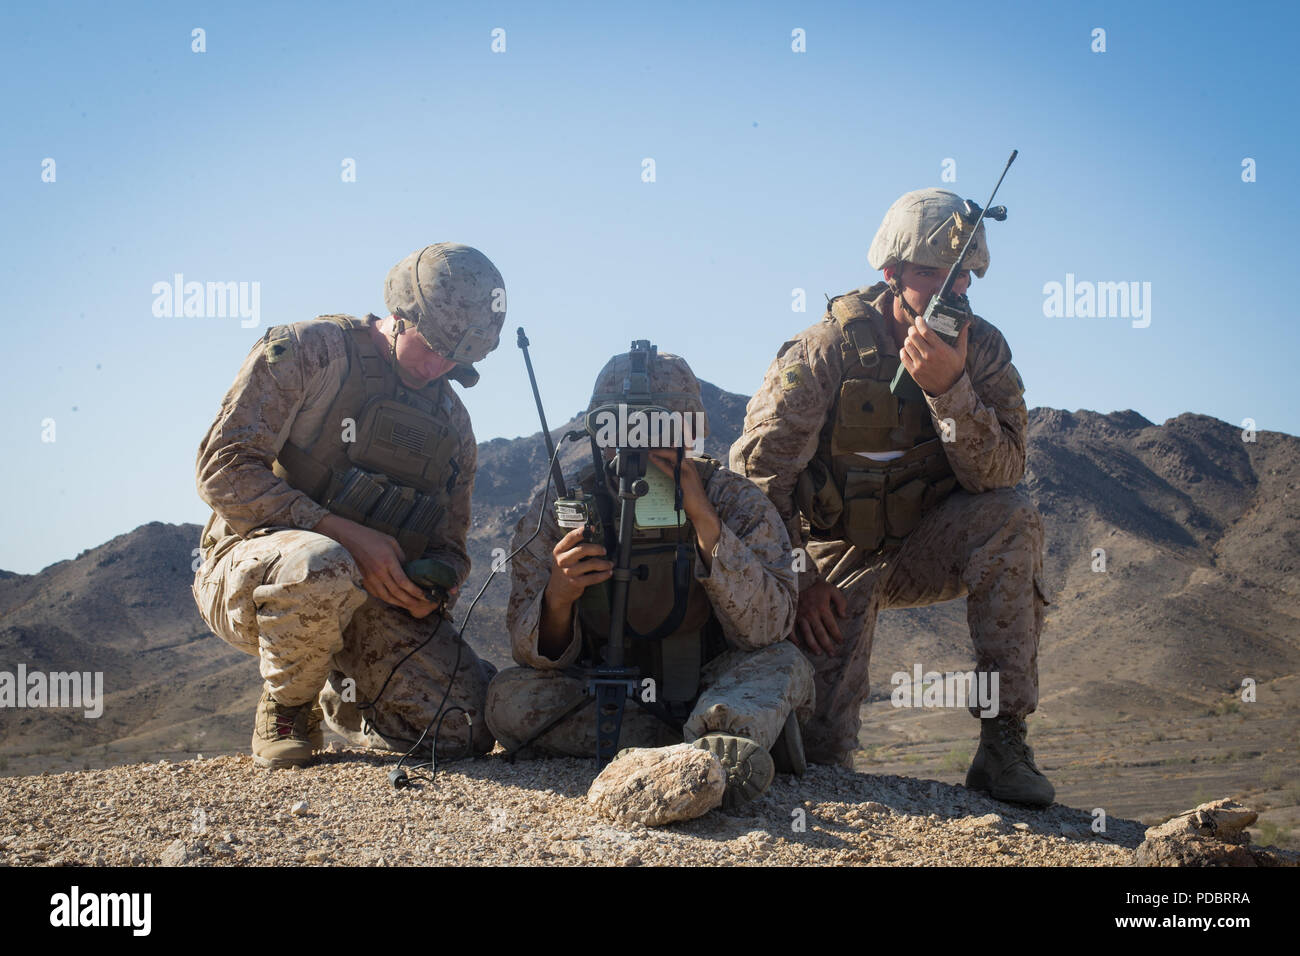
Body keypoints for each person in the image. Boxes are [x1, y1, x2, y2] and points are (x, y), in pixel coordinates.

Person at [729, 188, 1055, 806]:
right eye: (932, 272)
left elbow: (1002, 471)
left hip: (929, 542)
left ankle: (1004, 741)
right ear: (892, 273)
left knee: (1012, 519)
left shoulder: (980, 352)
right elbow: (757, 481)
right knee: (819, 759)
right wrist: (797, 578)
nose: (948, 290)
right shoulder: (824, 352)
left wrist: (950, 389)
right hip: (833, 558)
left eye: (961, 278)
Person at [192, 243, 504, 769]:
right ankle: (288, 707)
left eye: (457, 356)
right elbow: (222, 470)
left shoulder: (453, 424)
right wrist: (347, 535)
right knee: (324, 563)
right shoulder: (311, 353)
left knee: (462, 729)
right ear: (399, 316)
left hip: (368, 602)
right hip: (254, 574)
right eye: (432, 345)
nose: (440, 365)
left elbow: (451, 545)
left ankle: (348, 693)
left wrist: (434, 586)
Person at [486, 344, 814, 816]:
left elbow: (768, 629)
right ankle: (712, 747)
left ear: (691, 430)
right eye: (624, 427)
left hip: (708, 682)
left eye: (661, 427)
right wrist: (559, 597)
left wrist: (706, 523)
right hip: (606, 692)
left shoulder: (733, 500)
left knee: (784, 664)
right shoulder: (568, 506)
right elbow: (531, 652)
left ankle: (713, 735)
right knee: (508, 699)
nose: (641, 443)